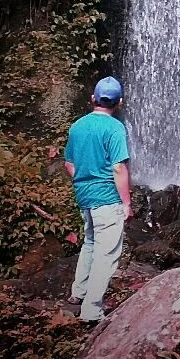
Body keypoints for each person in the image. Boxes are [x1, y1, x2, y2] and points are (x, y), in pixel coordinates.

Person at [64, 76, 133, 323]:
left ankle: (78, 293)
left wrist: (85, 180)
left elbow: (69, 163)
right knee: (107, 252)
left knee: (91, 242)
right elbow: (118, 168)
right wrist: (126, 203)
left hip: (85, 197)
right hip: (107, 198)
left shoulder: (77, 126)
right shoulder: (115, 128)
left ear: (92, 98)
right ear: (120, 102)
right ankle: (92, 310)